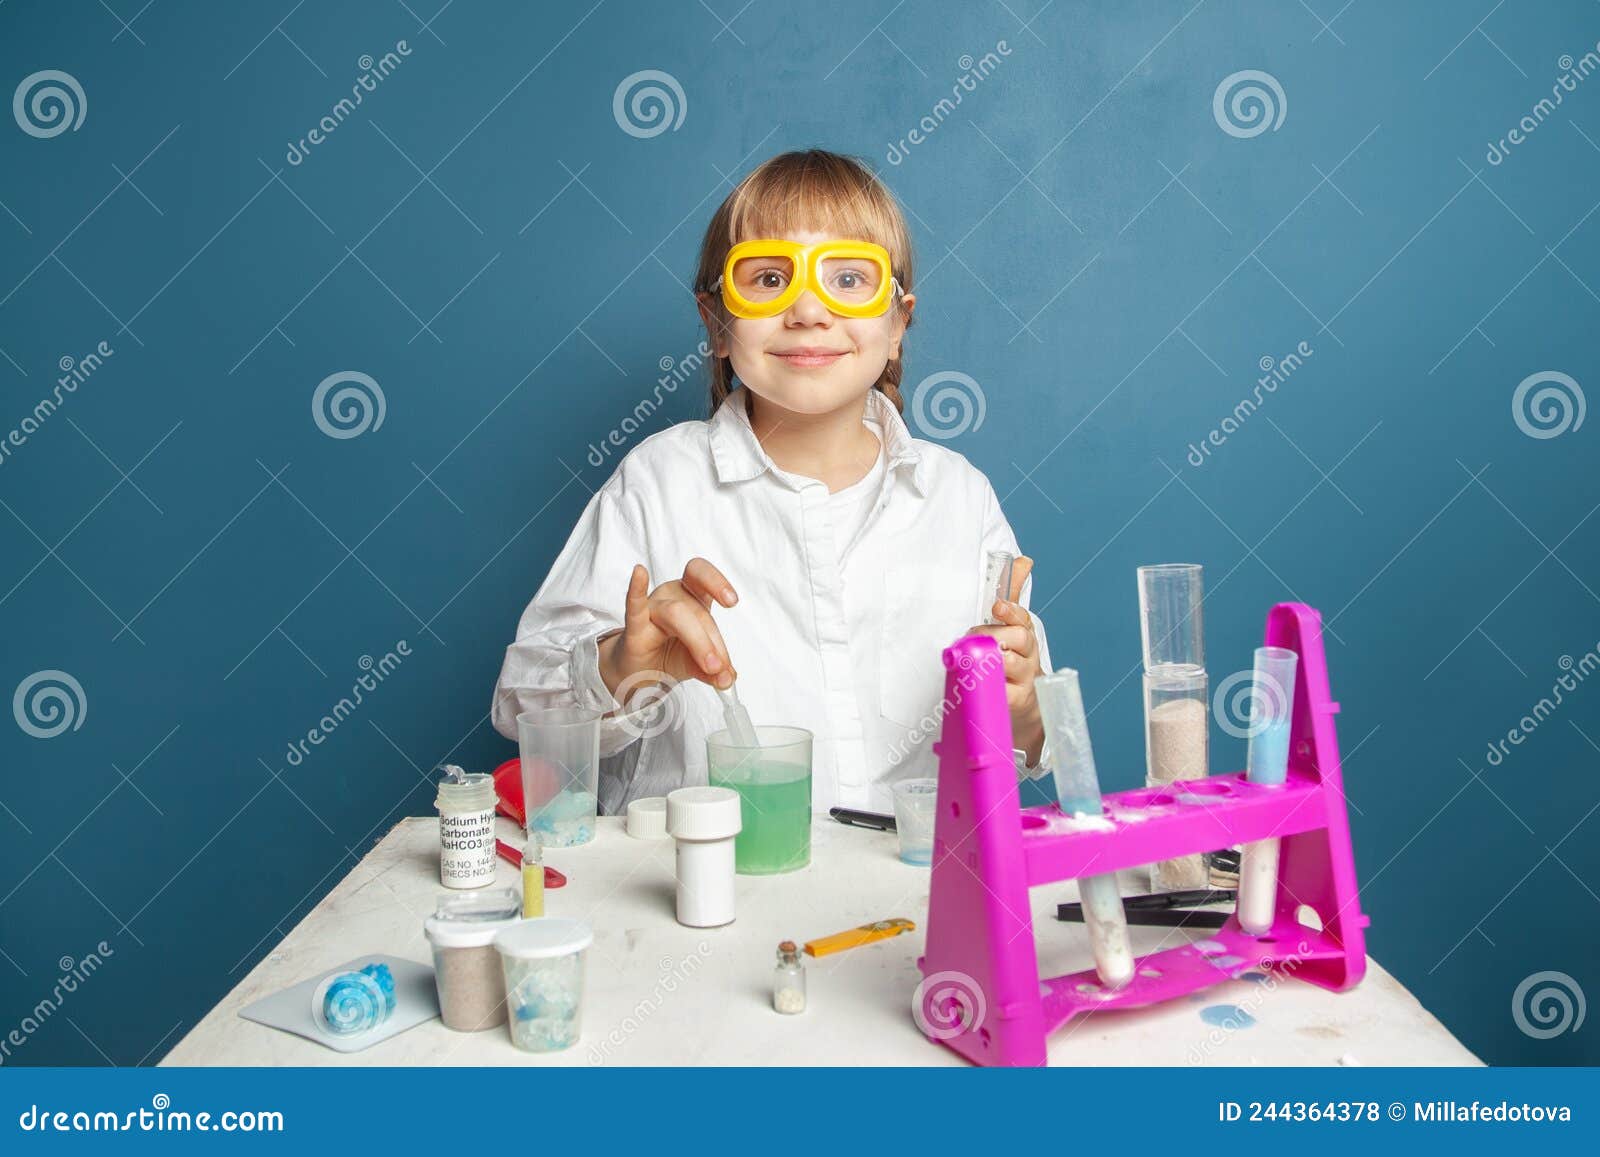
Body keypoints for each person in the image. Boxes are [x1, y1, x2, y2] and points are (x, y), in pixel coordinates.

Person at [492, 148, 1052, 816]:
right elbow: (519, 703)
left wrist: (1021, 705)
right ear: (717, 323)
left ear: (898, 324)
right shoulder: (657, 484)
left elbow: (1028, 742)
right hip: (698, 896)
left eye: (849, 278)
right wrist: (620, 663)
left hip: (907, 890)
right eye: (766, 279)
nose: (809, 310)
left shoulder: (959, 497)